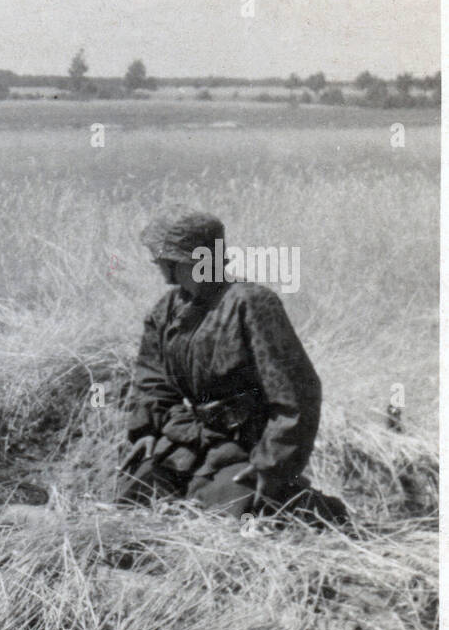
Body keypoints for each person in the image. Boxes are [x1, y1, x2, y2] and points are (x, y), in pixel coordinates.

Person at [118, 206, 345, 524]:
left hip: (245, 447)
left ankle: (302, 505)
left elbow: (297, 393)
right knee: (133, 502)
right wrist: (148, 431)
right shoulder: (166, 310)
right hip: (189, 439)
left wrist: (273, 465)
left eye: (159, 254)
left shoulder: (250, 303)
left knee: (228, 518)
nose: (154, 261)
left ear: (182, 258)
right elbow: (152, 379)